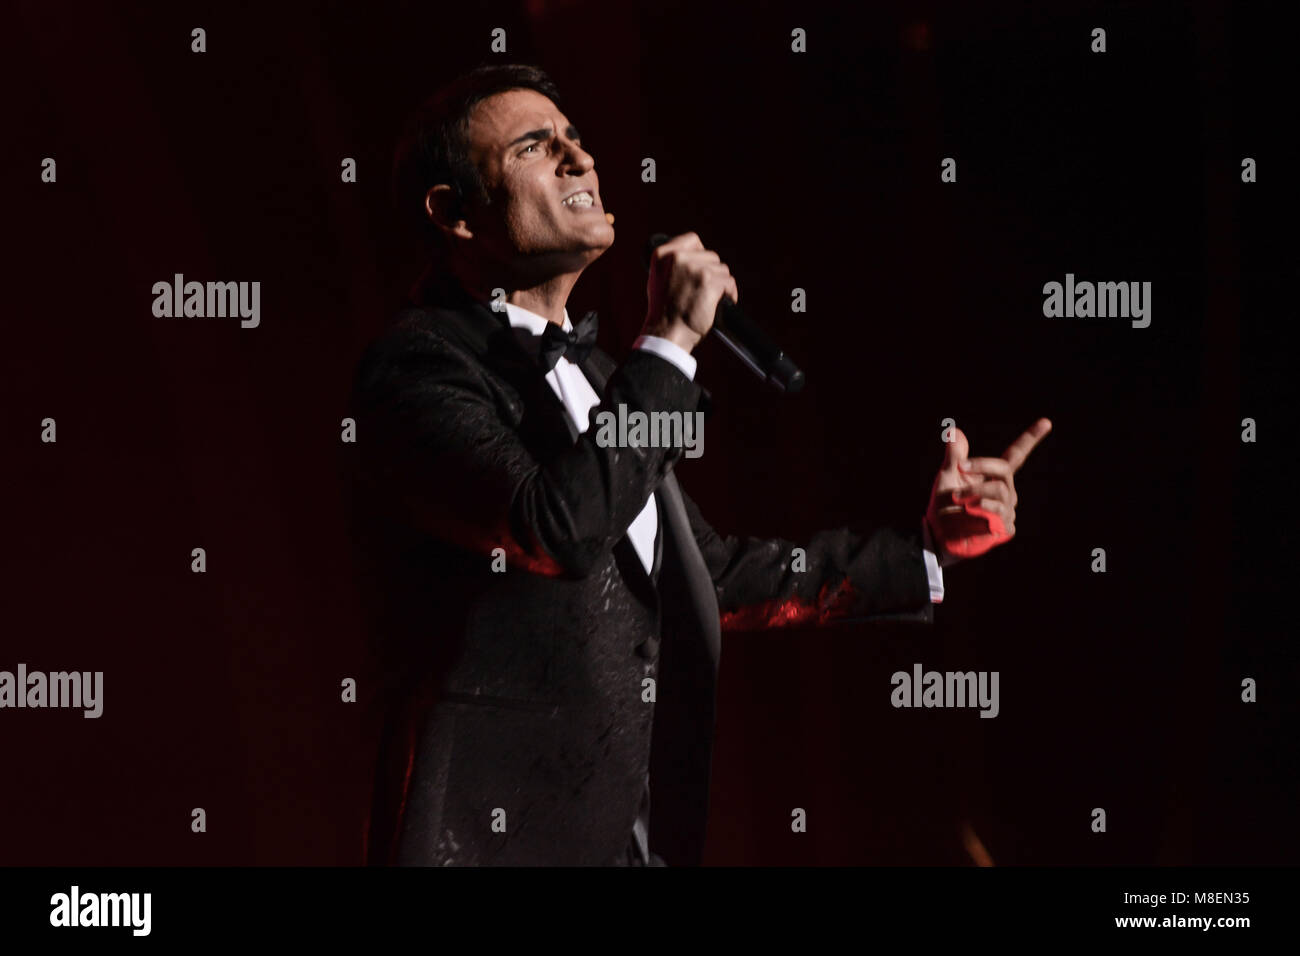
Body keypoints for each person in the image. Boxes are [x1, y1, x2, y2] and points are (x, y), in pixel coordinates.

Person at [346, 63, 1050, 866]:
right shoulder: (417, 365)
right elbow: (555, 528)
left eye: (577, 139)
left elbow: (700, 573)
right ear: (453, 213)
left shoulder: (607, 380)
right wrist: (670, 340)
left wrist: (926, 548)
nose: (579, 159)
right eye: (535, 148)